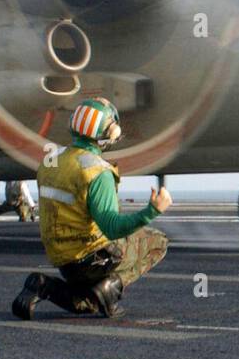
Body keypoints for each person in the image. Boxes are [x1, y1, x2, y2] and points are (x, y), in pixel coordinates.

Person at [12, 97, 171, 320]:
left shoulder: (51, 162)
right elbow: (112, 228)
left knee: (85, 305)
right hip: (91, 258)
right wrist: (152, 210)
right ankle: (111, 286)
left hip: (62, 259)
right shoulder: (97, 171)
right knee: (158, 241)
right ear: (110, 132)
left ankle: (43, 285)